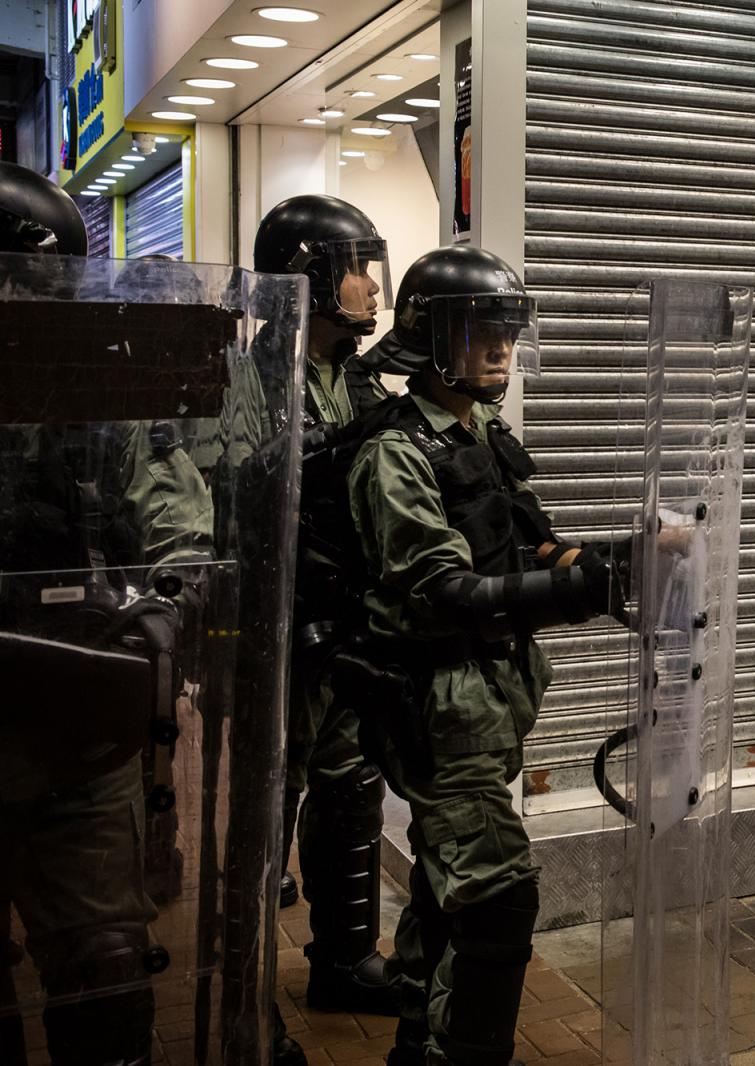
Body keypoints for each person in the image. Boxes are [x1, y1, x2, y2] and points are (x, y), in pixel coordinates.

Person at [340, 245, 627, 1065]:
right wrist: (574, 593)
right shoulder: (396, 450)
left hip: (490, 699)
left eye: (507, 327)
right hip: (438, 702)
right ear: (431, 336)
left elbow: (531, 551)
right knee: (498, 904)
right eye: (480, 328)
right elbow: (447, 592)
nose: (500, 345)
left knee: (444, 886)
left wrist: (623, 561)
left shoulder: (484, 433)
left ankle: (417, 1042)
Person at [0, 163, 208, 1063]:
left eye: (42, 289)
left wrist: (169, 606)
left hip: (74, 730)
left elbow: (178, 525)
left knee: (107, 976)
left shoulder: (95, 403)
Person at [251, 194, 402, 1014]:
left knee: (351, 787)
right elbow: (247, 491)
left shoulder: (355, 379)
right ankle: (243, 997)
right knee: (265, 808)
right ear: (310, 278)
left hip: (344, 623)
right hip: (275, 634)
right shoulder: (253, 376)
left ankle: (343, 964)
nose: (372, 290)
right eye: (356, 271)